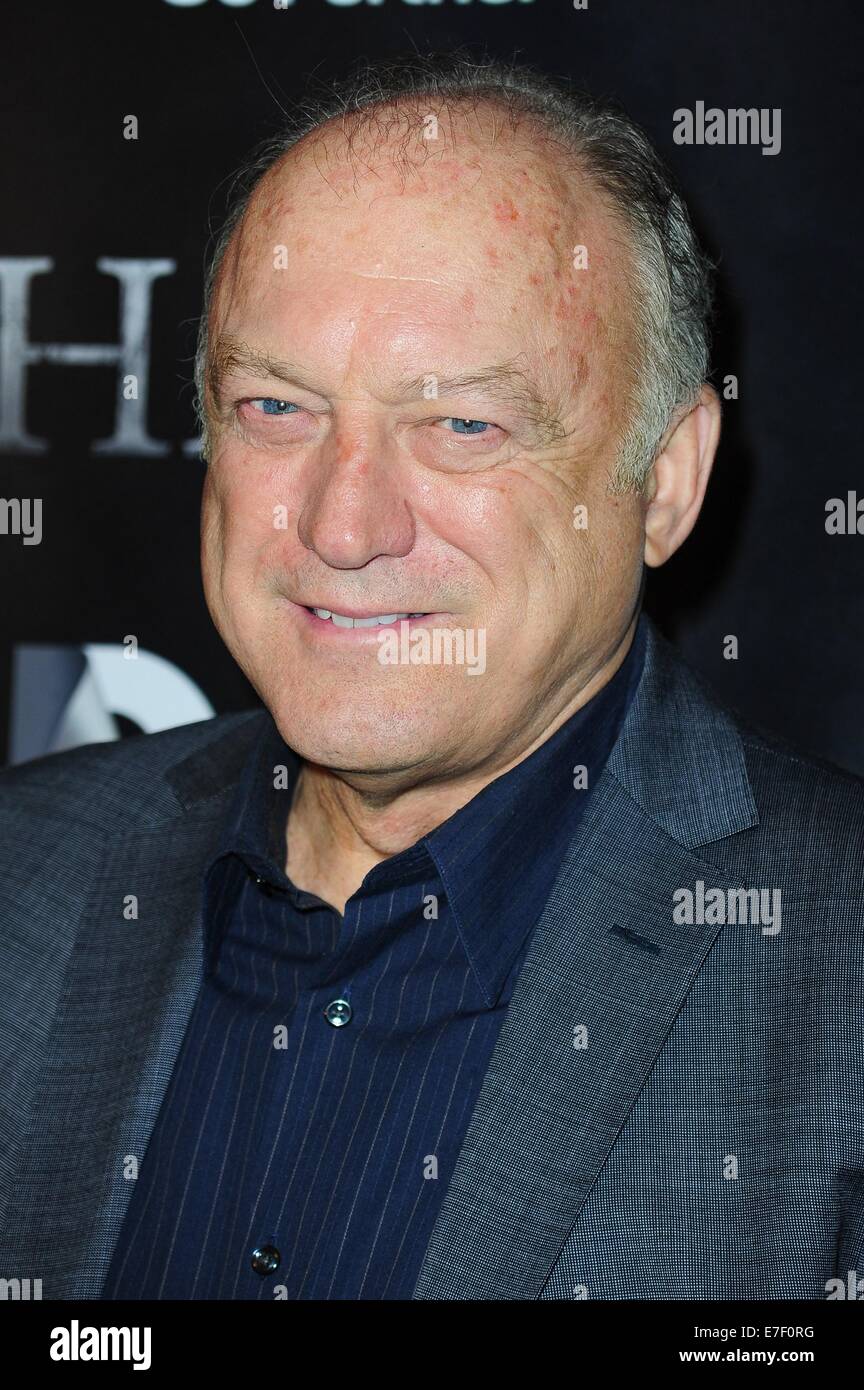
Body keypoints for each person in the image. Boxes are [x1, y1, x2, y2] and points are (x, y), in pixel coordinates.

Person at [1, 53, 861, 1302]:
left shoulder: (834, 985)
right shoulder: (26, 872)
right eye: (275, 407)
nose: (344, 526)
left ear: (663, 480)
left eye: (463, 425)